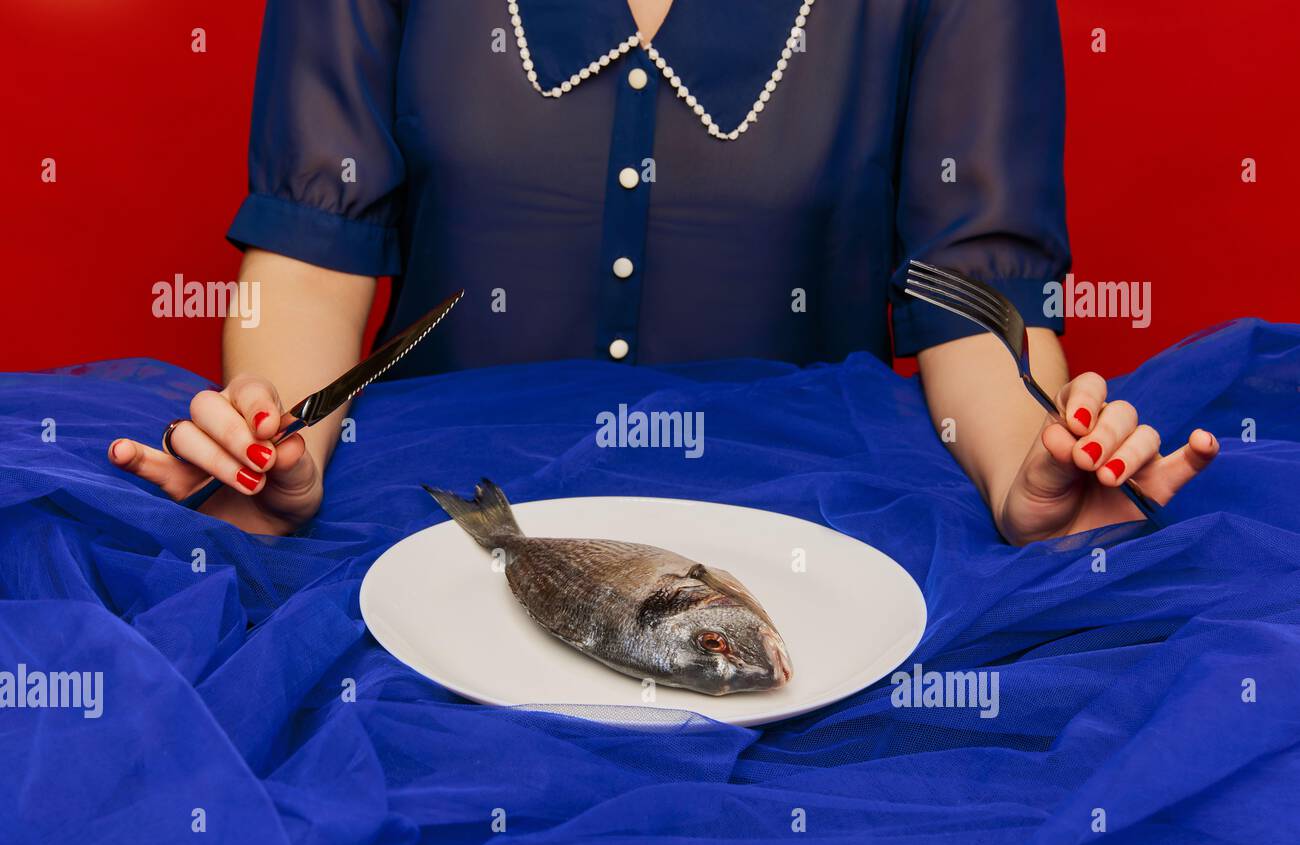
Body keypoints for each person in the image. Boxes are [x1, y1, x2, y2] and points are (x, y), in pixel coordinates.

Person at [107, 0, 1217, 542]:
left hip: (805, 554)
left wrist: (1030, 471)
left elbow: (971, 305)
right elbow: (307, 260)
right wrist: (280, 438)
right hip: (435, 529)